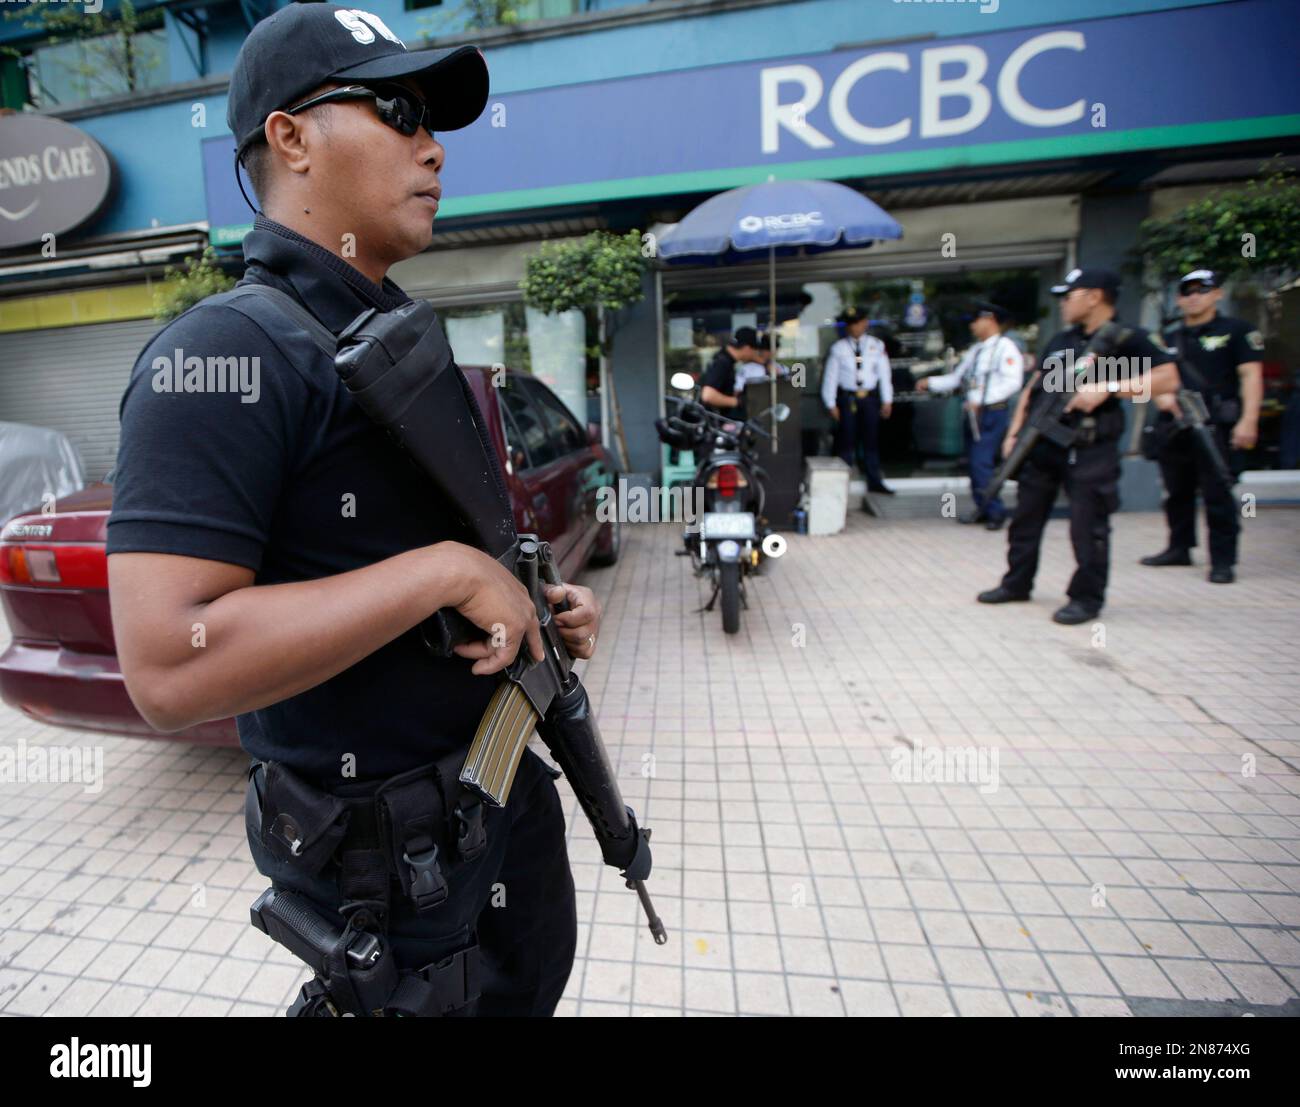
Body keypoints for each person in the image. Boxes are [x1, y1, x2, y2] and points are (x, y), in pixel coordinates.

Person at [105, 4, 600, 1017]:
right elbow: (165, 663)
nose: (433, 146)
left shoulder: (383, 342)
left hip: (493, 819)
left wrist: (530, 602)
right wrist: (447, 577)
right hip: (397, 880)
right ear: (287, 137)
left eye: (434, 120)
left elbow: (404, 548)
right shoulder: (224, 355)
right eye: (395, 109)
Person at [976, 267, 1179, 624]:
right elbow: (1034, 389)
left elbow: (1166, 380)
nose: (1063, 304)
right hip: (1043, 444)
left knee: (1088, 525)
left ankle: (1086, 598)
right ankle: (1016, 582)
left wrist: (1109, 389)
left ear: (1094, 296)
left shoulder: (1125, 340)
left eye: (1069, 296)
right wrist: (1014, 434)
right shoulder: (1062, 340)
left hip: (1089, 448)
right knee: (1025, 518)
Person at [1140, 269, 1264, 583]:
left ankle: (1223, 561)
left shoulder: (1237, 331)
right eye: (1187, 291)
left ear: (1217, 294)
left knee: (1218, 492)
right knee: (1176, 490)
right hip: (1175, 424)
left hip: (1215, 425)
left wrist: (1248, 420)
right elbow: (1150, 378)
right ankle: (1179, 547)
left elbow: (1251, 377)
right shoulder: (1167, 337)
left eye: (1202, 290)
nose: (1194, 297)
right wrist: (1162, 399)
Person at [917, 301, 1024, 529]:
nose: (972, 325)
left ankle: (995, 512)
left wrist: (982, 400)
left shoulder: (1005, 347)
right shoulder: (976, 350)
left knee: (981, 463)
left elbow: (1013, 382)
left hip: (992, 413)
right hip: (973, 415)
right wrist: (930, 382)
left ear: (990, 319)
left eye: (976, 320)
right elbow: (957, 379)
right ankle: (983, 508)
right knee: (974, 465)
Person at [821, 305, 894, 494]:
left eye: (857, 323)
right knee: (846, 442)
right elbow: (831, 377)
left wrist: (887, 400)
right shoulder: (839, 348)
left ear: (865, 323)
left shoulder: (876, 345)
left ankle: (874, 481)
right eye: (850, 324)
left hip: (869, 398)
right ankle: (842, 485)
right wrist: (830, 403)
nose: (854, 328)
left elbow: (884, 375)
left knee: (871, 442)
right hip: (848, 399)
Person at [700, 326, 763, 419]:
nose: (754, 355)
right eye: (755, 351)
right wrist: (737, 402)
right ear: (747, 348)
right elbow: (708, 395)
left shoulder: (726, 360)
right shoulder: (722, 363)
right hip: (712, 424)